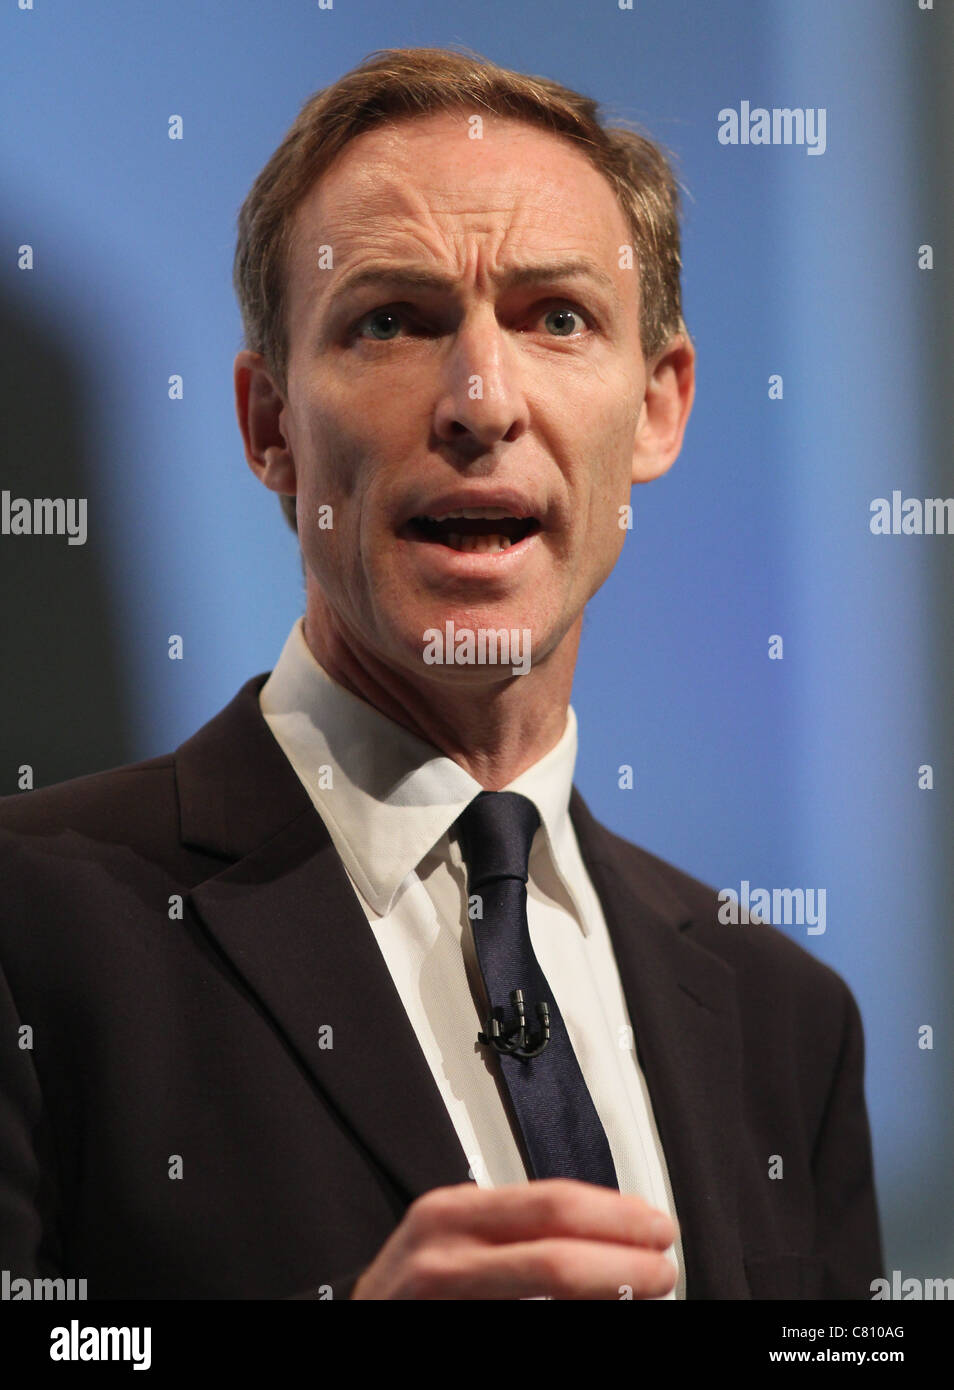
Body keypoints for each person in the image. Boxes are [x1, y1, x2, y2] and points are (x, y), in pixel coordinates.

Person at [0, 46, 882, 1301]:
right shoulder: (35, 924)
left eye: (556, 318)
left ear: (657, 408)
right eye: (392, 321)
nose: (480, 398)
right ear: (270, 429)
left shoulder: (788, 1022)